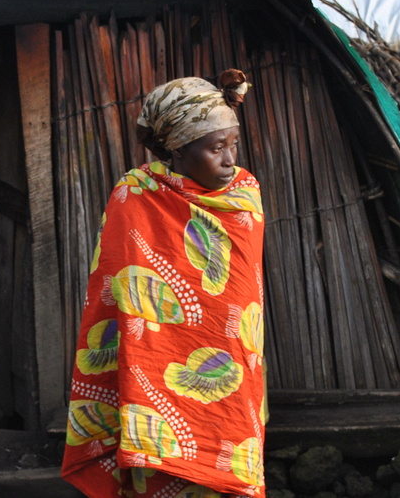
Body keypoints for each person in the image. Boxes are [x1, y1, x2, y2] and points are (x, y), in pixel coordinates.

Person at [62, 70, 267, 498]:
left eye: (233, 145)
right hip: (151, 377)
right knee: (157, 476)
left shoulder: (244, 194)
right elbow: (117, 293)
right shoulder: (135, 197)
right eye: (216, 148)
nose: (230, 159)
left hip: (228, 372)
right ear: (177, 149)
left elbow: (238, 295)